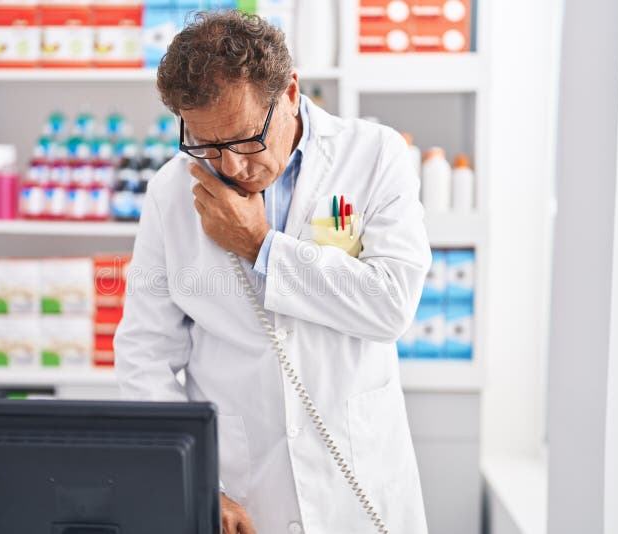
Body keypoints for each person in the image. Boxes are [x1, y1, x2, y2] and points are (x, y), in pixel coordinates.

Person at [115, 10, 431, 534]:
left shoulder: (375, 156)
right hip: (241, 495)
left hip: (356, 481)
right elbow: (144, 356)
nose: (231, 167)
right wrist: (193, 481)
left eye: (244, 140)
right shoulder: (170, 193)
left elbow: (392, 305)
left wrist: (262, 246)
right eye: (208, 146)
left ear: (288, 92)